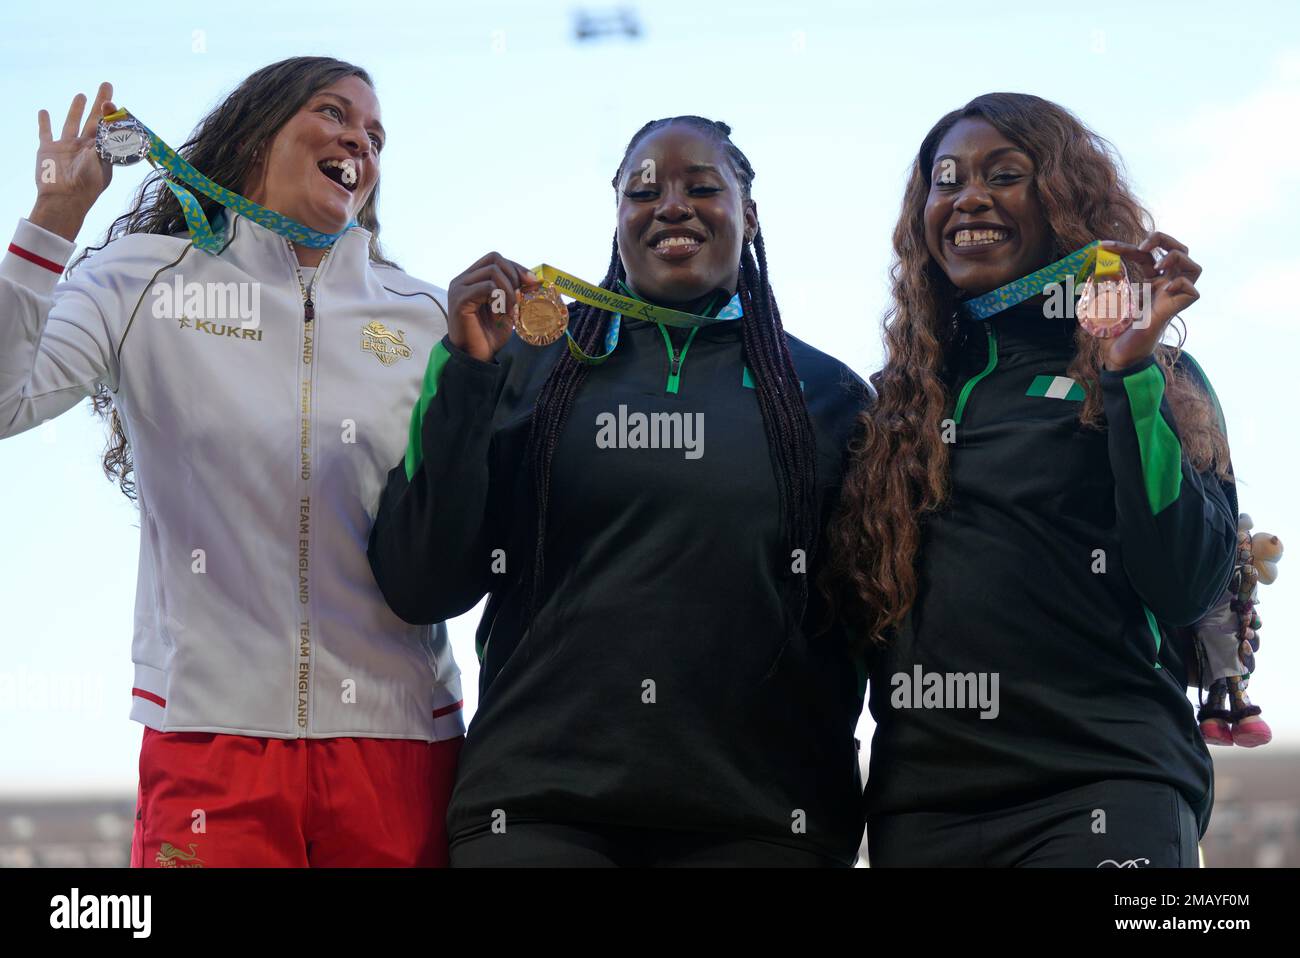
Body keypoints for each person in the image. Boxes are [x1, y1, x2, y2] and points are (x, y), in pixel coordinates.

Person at [368, 116, 870, 867]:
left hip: (762, 818)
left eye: (702, 186)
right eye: (643, 192)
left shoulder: (830, 397)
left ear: (750, 215)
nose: (671, 205)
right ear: (617, 217)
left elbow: (874, 619)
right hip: (538, 807)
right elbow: (420, 583)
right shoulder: (525, 366)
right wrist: (467, 372)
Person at [1, 57, 464, 867]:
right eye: (333, 113)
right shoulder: (141, 281)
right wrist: (53, 220)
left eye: (375, 135)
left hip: (397, 747)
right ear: (256, 135)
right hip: (211, 743)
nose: (359, 140)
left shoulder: (426, 317)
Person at [828, 92, 1237, 867]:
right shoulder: (894, 406)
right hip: (924, 811)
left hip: (1106, 785)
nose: (969, 197)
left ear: (1062, 200)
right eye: (946, 181)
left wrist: (1129, 375)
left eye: (1004, 175)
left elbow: (1186, 582)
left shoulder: (1158, 378)